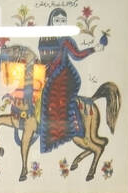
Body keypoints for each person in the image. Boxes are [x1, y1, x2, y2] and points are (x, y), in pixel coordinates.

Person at [37, 8, 104, 153]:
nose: (60, 23)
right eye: (57, 21)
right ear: (51, 22)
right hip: (50, 75)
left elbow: (77, 55)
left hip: (66, 76)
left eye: (63, 21)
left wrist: (95, 49)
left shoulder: (66, 40)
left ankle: (66, 130)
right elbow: (44, 61)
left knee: (52, 97)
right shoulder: (44, 38)